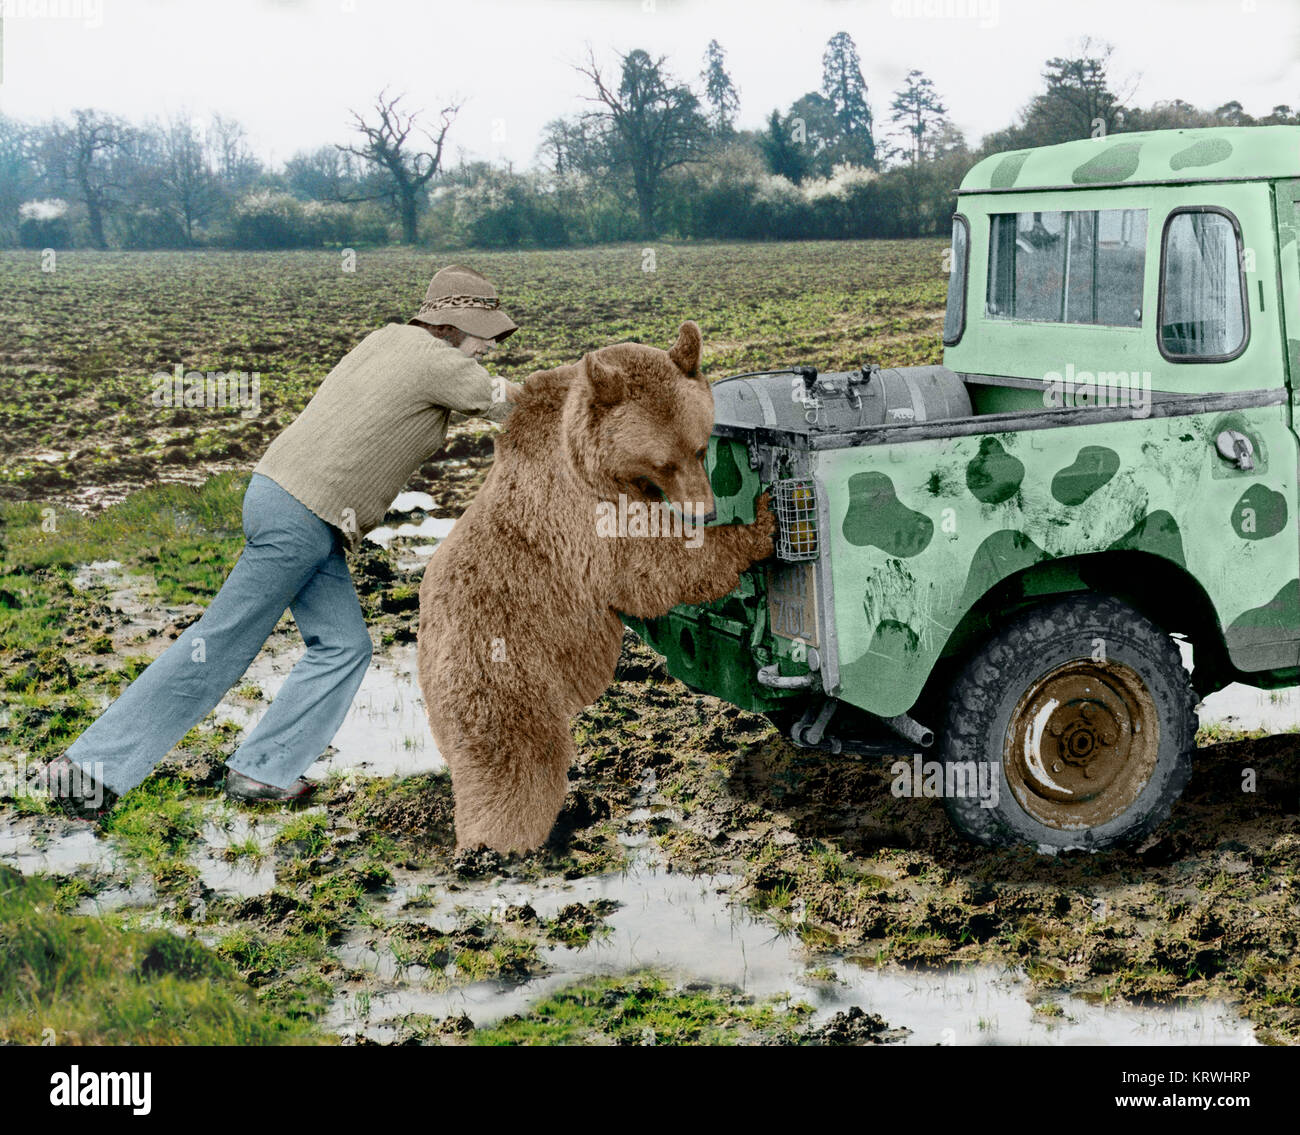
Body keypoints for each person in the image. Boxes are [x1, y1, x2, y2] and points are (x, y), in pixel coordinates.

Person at [38, 265, 521, 817]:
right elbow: (514, 403)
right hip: (300, 516)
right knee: (220, 641)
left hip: (295, 508)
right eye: (486, 335)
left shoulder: (386, 340)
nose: (489, 347)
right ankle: (84, 769)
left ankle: (261, 771)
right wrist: (593, 392)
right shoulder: (434, 359)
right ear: (455, 324)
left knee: (343, 646)